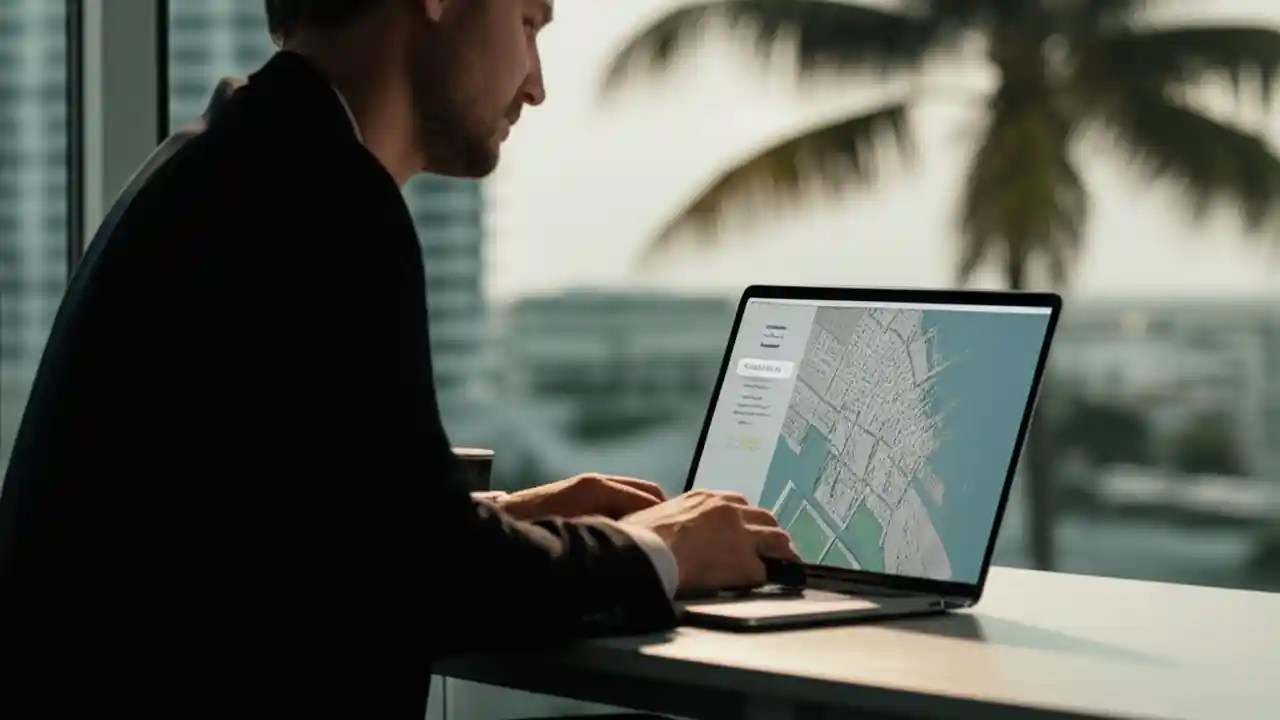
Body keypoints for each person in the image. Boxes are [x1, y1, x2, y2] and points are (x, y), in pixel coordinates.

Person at [0, 0, 798, 716]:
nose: (536, 84)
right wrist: (661, 552)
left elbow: (304, 538)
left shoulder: (228, 158)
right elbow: (424, 580)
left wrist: (509, 520)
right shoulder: (321, 194)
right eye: (529, 24)